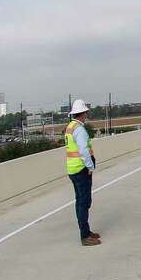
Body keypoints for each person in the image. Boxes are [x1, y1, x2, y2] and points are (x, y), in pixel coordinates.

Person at [64, 99, 100, 246]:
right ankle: (85, 235)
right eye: (85, 112)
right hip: (81, 169)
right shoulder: (79, 129)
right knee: (84, 203)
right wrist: (90, 167)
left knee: (80, 201)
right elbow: (84, 151)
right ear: (83, 113)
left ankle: (86, 230)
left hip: (72, 169)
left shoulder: (70, 127)